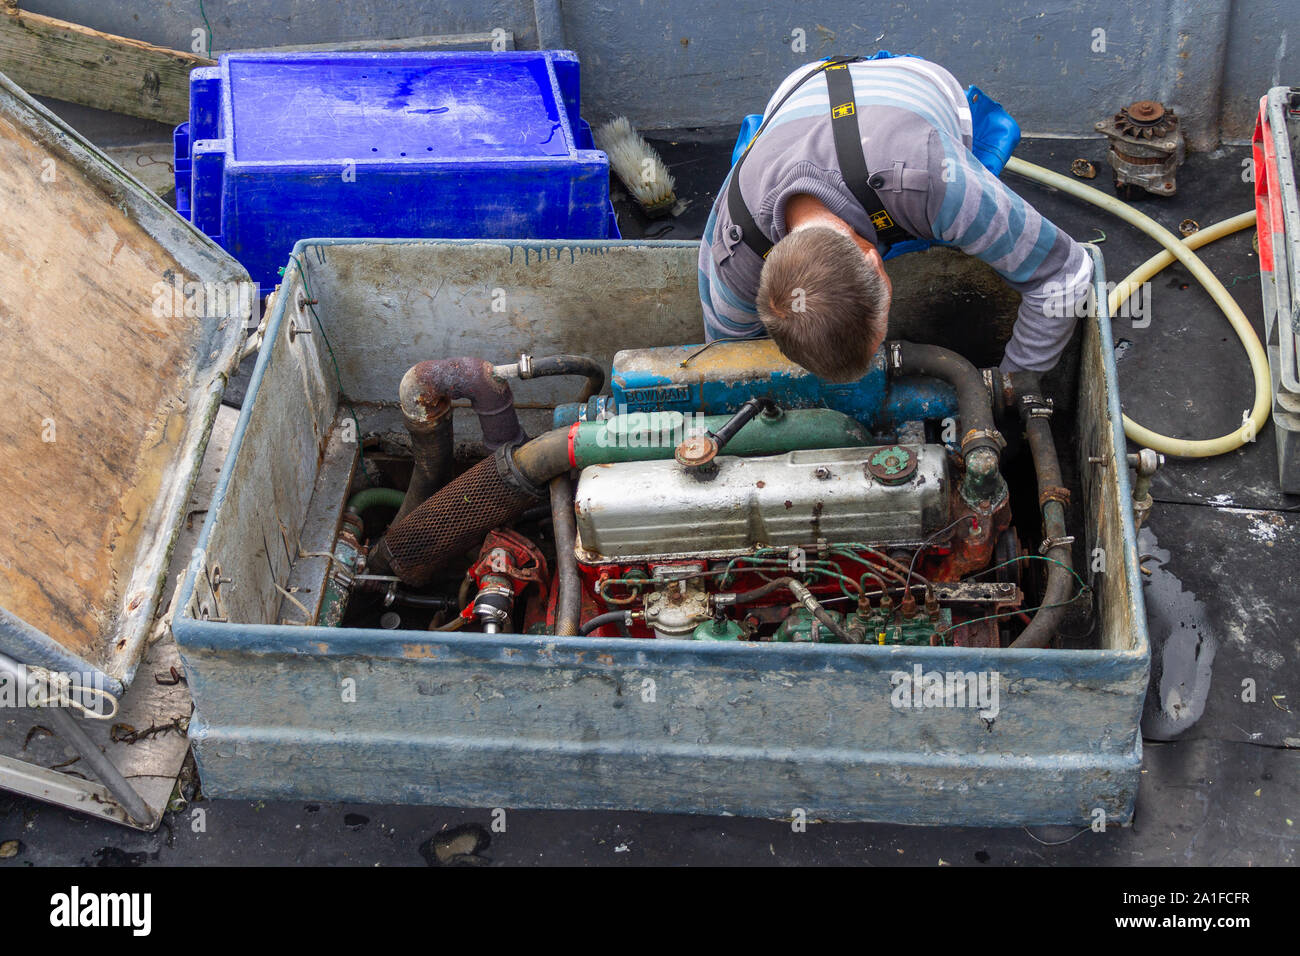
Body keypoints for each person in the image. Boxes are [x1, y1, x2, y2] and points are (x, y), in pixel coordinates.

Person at [698, 54, 1092, 380]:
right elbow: (726, 364)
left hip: (911, 87)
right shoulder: (734, 249)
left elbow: (1064, 275)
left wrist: (1012, 388)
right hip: (798, 94)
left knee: (964, 218)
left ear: (875, 260)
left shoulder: (937, 181)